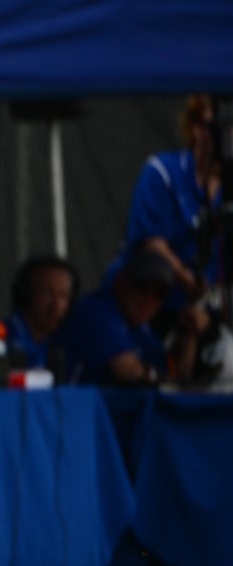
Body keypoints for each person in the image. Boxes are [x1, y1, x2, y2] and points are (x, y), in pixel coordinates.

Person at [106, 94, 224, 381]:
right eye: (211, 126)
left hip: (198, 311)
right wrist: (190, 282)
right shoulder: (162, 172)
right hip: (144, 304)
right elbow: (151, 243)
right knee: (140, 375)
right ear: (195, 128)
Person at [62, 245, 175, 386]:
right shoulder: (96, 310)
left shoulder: (140, 327)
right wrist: (160, 378)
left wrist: (189, 336)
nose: (148, 299)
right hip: (76, 404)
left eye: (159, 293)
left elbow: (173, 372)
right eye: (142, 287)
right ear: (121, 282)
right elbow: (127, 371)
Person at [5, 254, 77, 378]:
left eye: (63, 296)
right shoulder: (2, 338)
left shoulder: (61, 340)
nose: (56, 305)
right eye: (47, 294)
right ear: (25, 294)